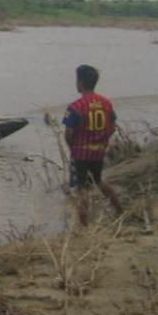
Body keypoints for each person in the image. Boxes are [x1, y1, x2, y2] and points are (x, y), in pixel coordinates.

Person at [63, 65, 122, 225]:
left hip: (80, 154)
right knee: (99, 180)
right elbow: (112, 126)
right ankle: (119, 209)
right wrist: (103, 140)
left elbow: (69, 133)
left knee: (81, 189)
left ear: (80, 83)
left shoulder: (75, 107)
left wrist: (73, 147)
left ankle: (84, 225)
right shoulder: (106, 103)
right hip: (98, 152)